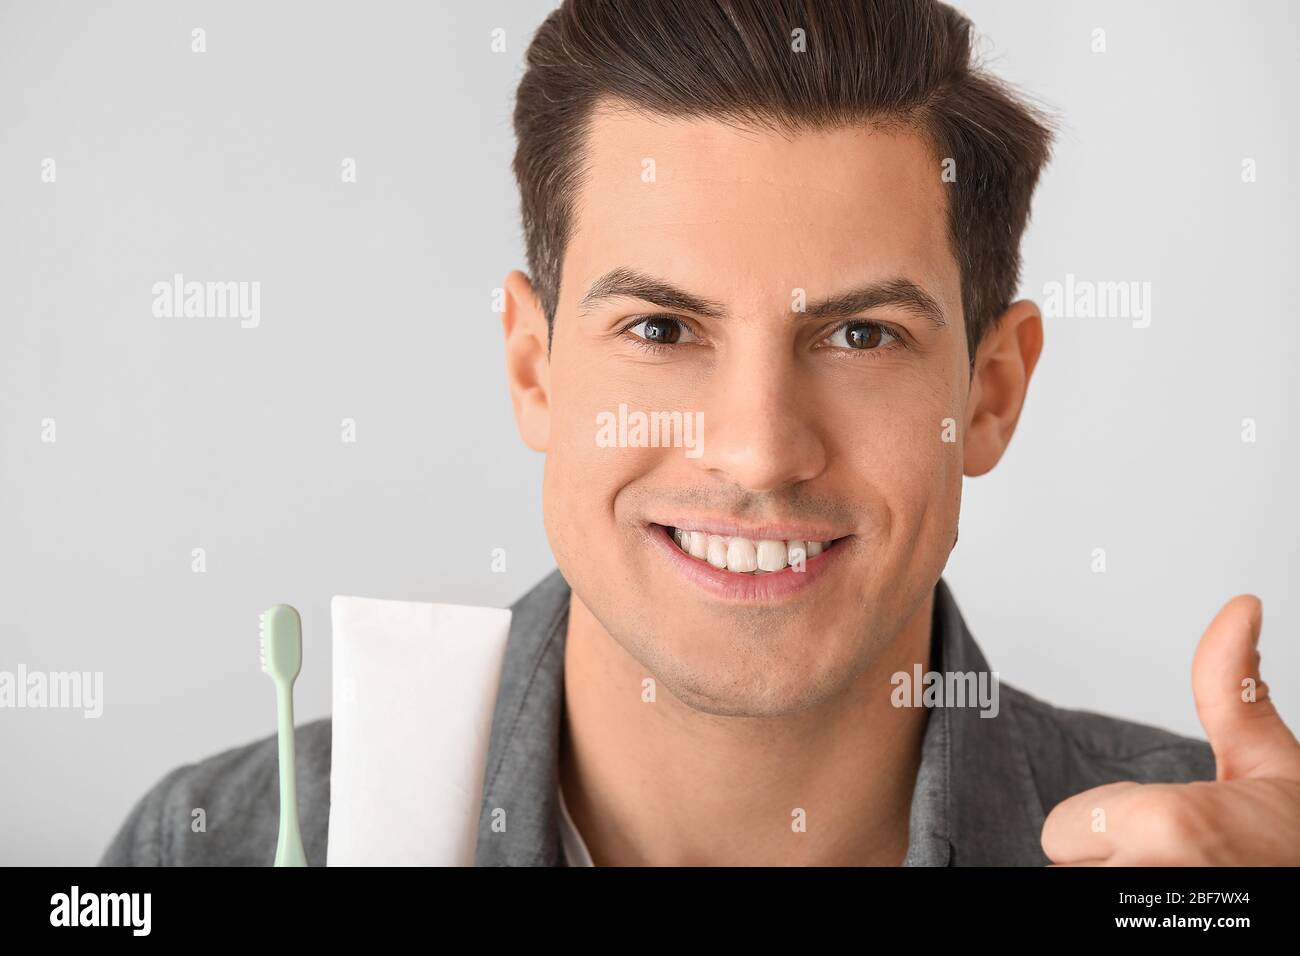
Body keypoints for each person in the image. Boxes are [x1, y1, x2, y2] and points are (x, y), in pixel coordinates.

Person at [101, 0, 1300, 867]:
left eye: (861, 335)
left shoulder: (1204, 867)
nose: (759, 451)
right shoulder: (205, 847)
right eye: (662, 328)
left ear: (988, 393)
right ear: (534, 368)